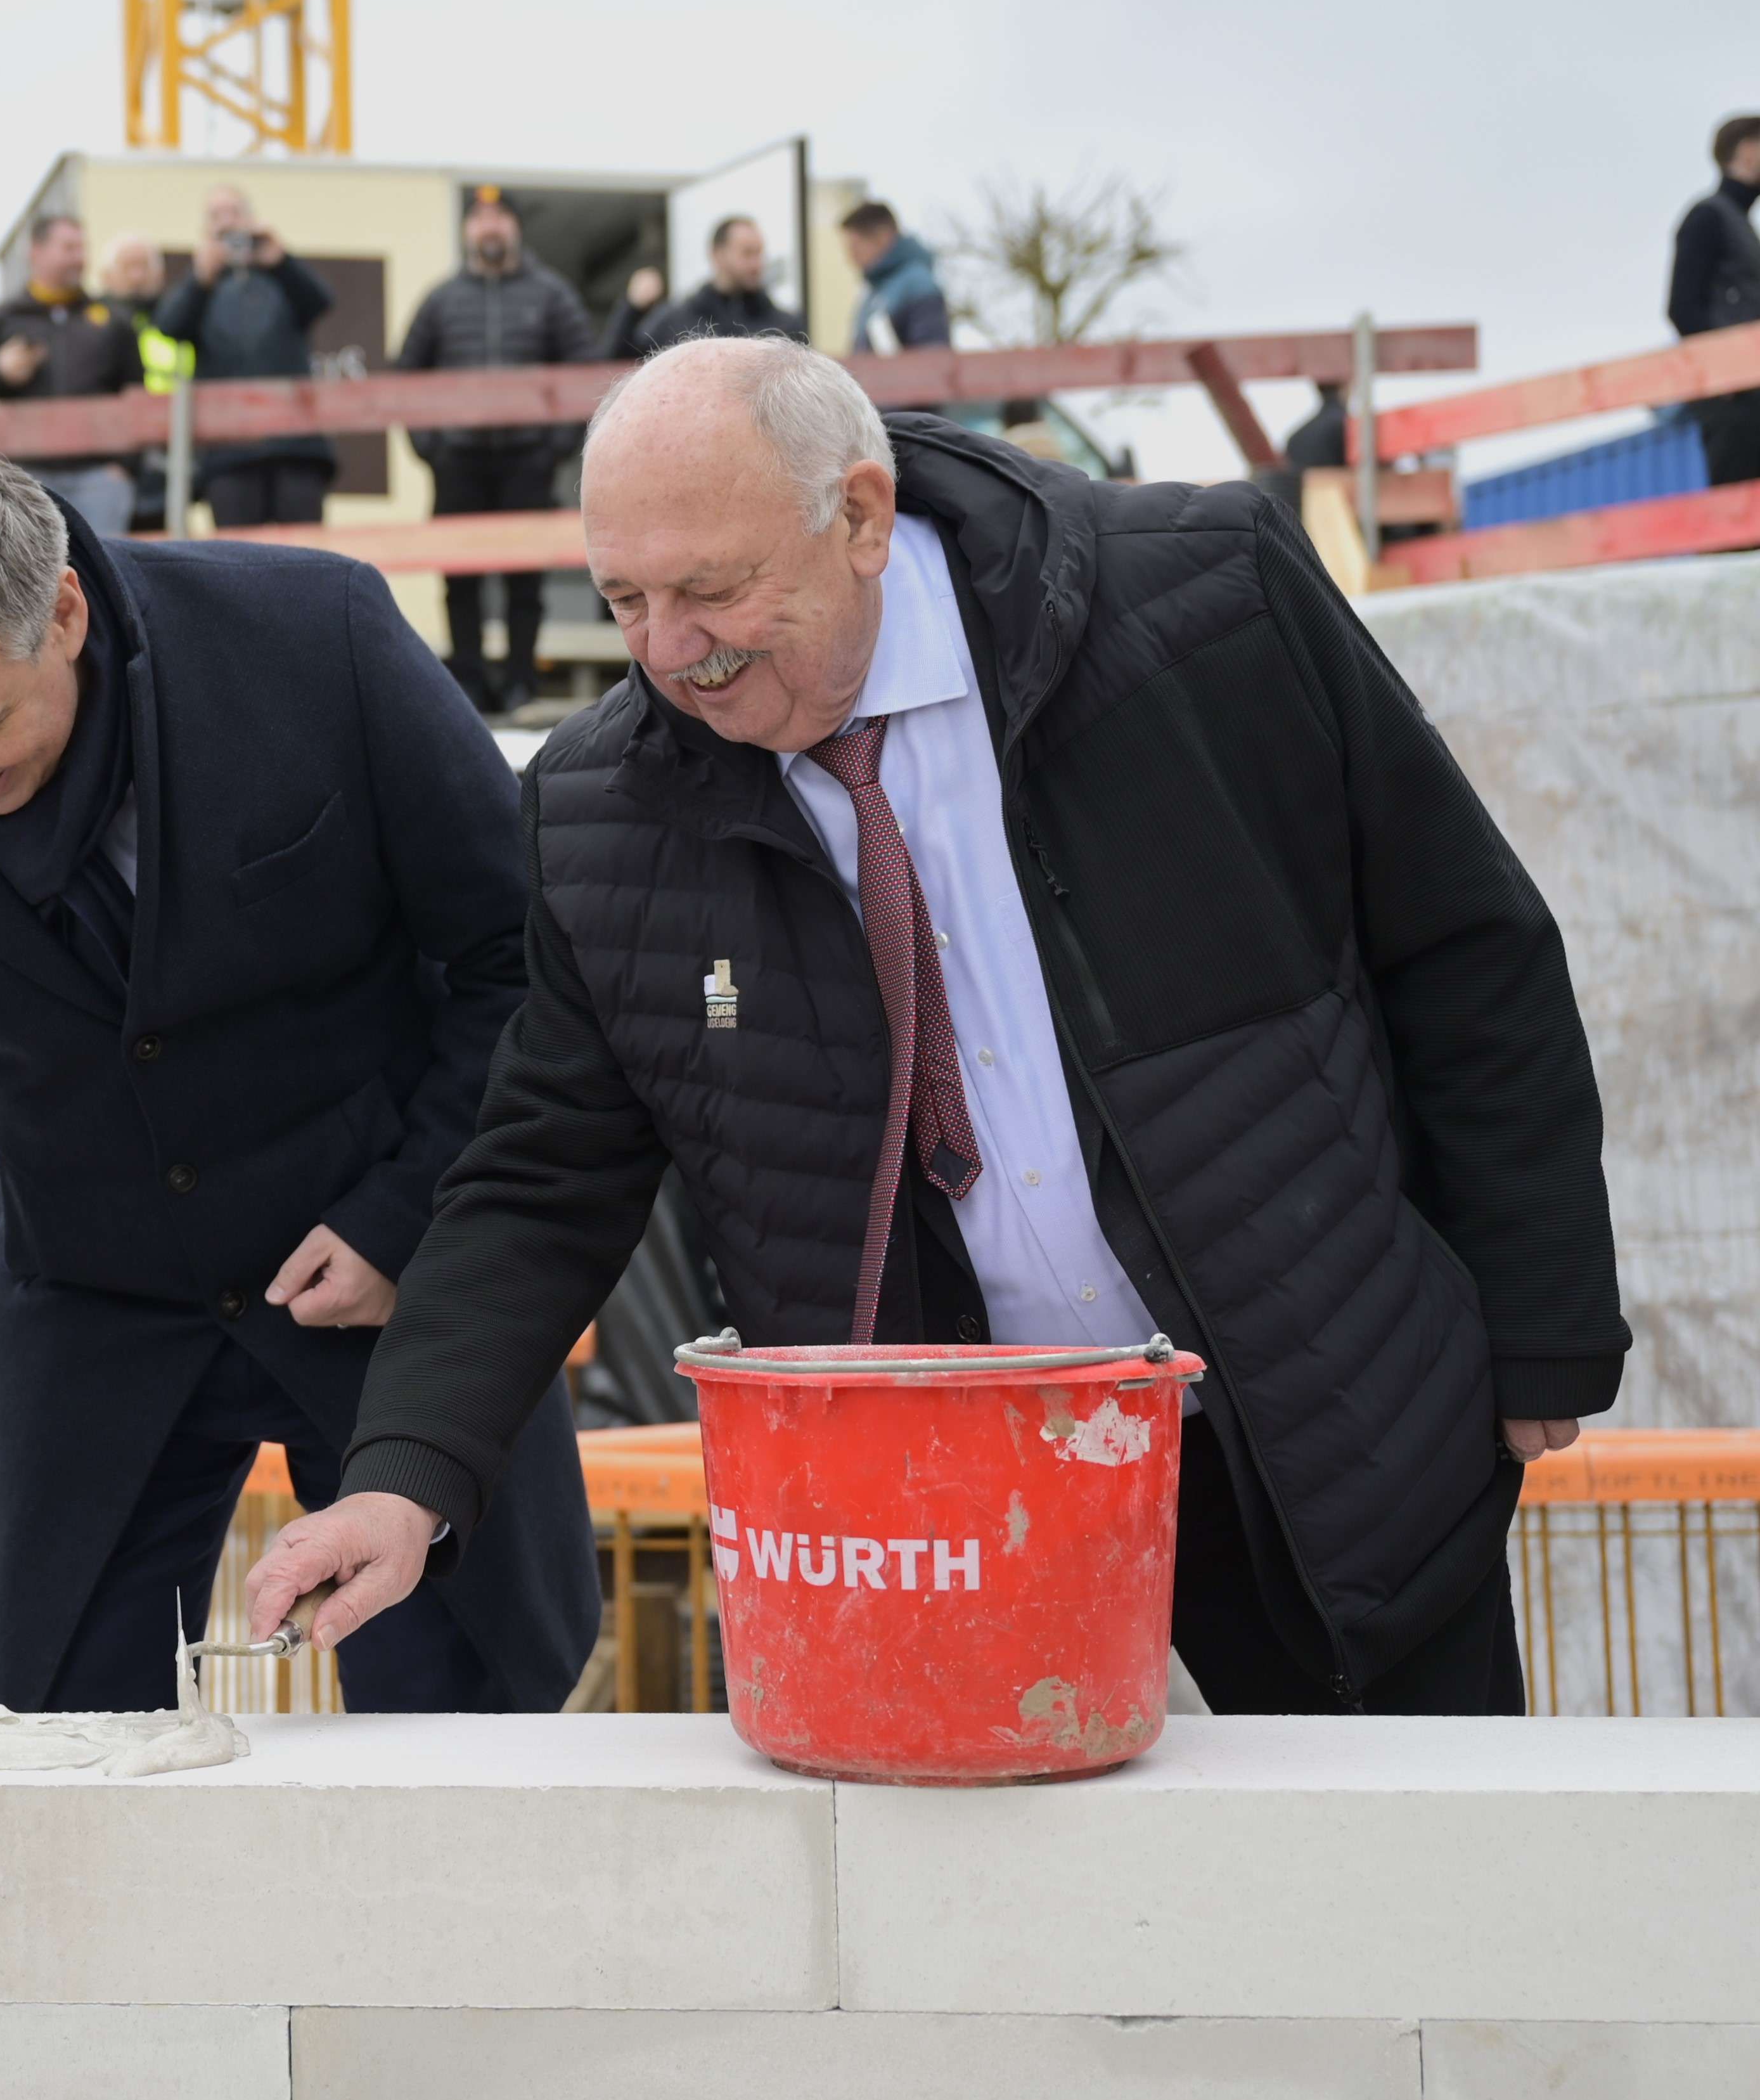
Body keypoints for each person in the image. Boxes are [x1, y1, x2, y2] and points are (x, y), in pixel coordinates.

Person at [248, 337, 1627, 1722]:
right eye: (625, 600)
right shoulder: (607, 806)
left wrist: (1539, 1322)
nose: (672, 652)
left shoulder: (1207, 604)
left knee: (1385, 1893)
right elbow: (543, 1171)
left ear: (858, 515)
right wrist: (405, 1473)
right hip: (949, 1507)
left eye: (712, 589)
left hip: (1324, 1425)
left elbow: (1459, 945)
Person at [0, 444, 599, 1717]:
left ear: (66, 613)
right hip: (93, 1300)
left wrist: (403, 1213)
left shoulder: (320, 638)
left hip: (386, 1283)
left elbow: (520, 966)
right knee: (61, 1750)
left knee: (460, 1730)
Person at [394, 184, 599, 712]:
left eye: (500, 216)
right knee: (458, 578)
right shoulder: (441, 300)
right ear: (467, 230)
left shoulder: (551, 295)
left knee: (524, 579)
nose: (491, 227)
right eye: (481, 217)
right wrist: (429, 446)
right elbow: (404, 378)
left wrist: (555, 446)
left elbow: (585, 370)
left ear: (515, 227)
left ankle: (520, 679)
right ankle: (465, 679)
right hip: (457, 460)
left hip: (526, 460)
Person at [0, 212, 145, 538]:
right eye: (68, 248)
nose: (79, 258)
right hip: (25, 476)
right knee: (31, 579)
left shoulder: (114, 323)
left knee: (102, 577)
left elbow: (137, 393)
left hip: (100, 477)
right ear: (35, 252)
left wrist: (124, 467)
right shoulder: (1, 320)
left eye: (83, 248)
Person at [151, 183, 337, 527]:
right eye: (216, 217)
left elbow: (321, 302)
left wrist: (280, 260)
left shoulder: (281, 276)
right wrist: (200, 278)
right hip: (229, 453)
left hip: (296, 448)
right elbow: (168, 327)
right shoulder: (202, 288)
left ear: (253, 220)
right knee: (236, 564)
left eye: (234, 213)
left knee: (306, 562)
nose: (227, 225)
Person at [1667, 113, 1760, 486]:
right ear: (1746, 151)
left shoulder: (1740, 224)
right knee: (1738, 523)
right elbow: (1682, 308)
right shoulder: (1708, 217)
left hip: (1747, 392)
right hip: (1733, 401)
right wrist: (1721, 379)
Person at [604, 215, 807, 359]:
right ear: (717, 255)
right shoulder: (675, 322)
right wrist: (632, 308)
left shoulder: (785, 327)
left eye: (759, 253)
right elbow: (619, 363)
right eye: (747, 253)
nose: (757, 264)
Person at [101, 231, 191, 532]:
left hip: (174, 444)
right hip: (115, 454)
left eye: (144, 267)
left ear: (161, 274)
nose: (138, 277)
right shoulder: (96, 323)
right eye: (128, 268)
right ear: (107, 276)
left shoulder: (180, 320)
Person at [841, 201, 951, 353]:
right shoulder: (875, 293)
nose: (851, 257)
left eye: (855, 246)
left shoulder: (918, 284)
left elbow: (932, 360)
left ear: (882, 237)